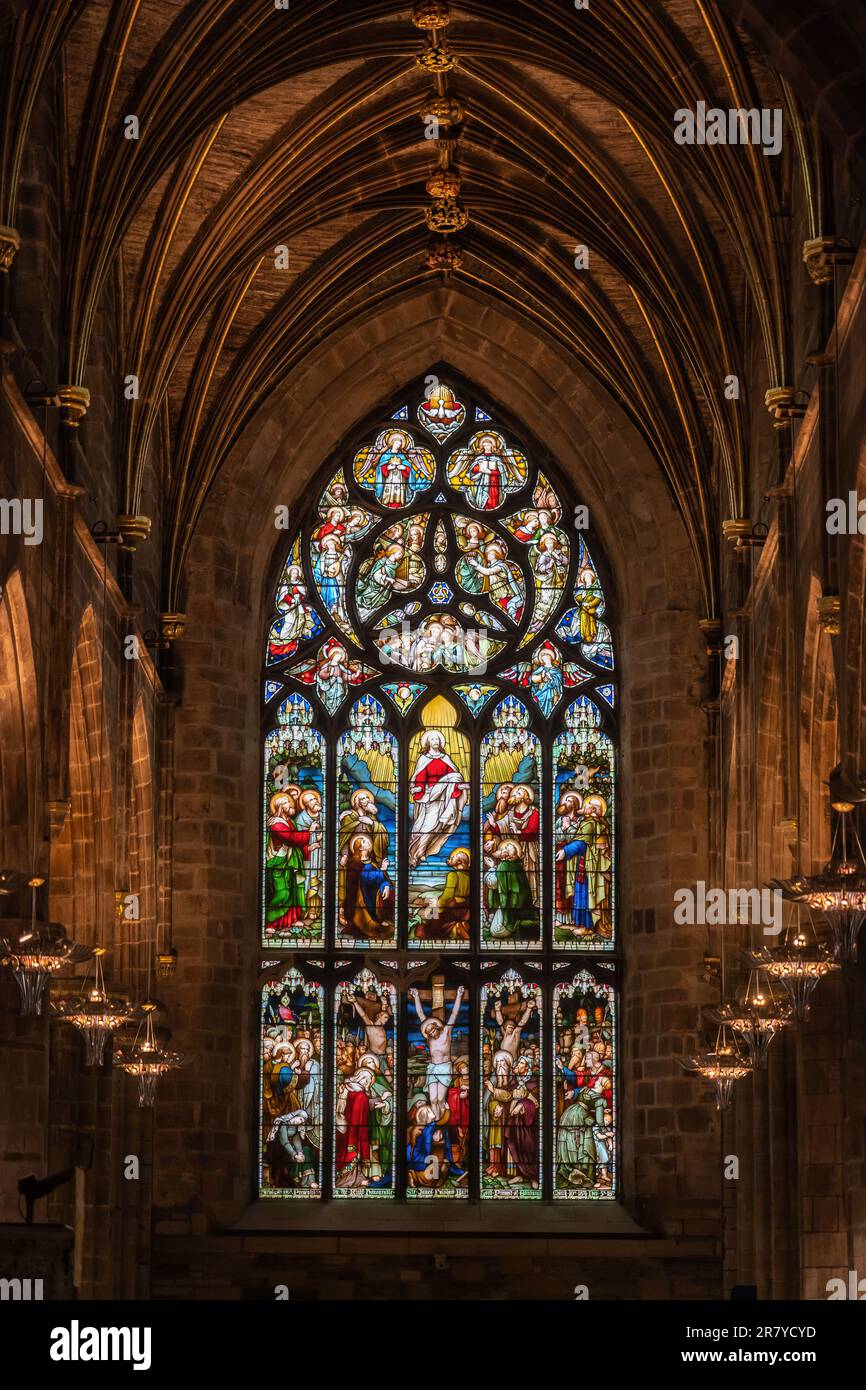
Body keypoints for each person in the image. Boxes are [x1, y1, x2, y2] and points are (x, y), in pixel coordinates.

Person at [408, 730, 469, 867]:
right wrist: (418, 788)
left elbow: (453, 776)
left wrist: (458, 785)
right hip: (430, 796)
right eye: (433, 739)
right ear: (428, 742)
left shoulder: (445, 758)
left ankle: (423, 851)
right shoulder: (424, 759)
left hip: (445, 798)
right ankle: (416, 852)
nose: (436, 741)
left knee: (438, 826)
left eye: (437, 739)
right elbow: (420, 778)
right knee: (427, 826)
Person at [409, 984, 465, 1118]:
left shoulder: (446, 1031)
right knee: (433, 1100)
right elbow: (421, 1014)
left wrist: (458, 995)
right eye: (429, 1033)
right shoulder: (429, 1039)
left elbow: (454, 1013)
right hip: (432, 1068)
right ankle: (436, 1123)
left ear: (437, 1027)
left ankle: (441, 1121)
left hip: (445, 1068)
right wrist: (416, 996)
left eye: (433, 1030)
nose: (433, 1033)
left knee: (440, 1099)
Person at [265, 791, 311, 936]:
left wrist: (309, 848)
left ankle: (289, 920)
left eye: (289, 802)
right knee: (282, 893)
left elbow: (296, 841)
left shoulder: (290, 822)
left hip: (291, 863)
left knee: (293, 892)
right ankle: (271, 922)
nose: (290, 804)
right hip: (279, 863)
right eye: (285, 803)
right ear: (279, 807)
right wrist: (310, 832)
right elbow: (291, 838)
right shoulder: (276, 824)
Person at [339, 832, 394, 938]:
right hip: (361, 900)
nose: (368, 841)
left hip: (373, 895)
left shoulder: (372, 862)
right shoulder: (354, 862)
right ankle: (373, 920)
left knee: (391, 893)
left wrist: (386, 885)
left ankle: (380, 918)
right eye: (363, 841)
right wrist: (382, 870)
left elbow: (381, 879)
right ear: (359, 847)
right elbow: (365, 877)